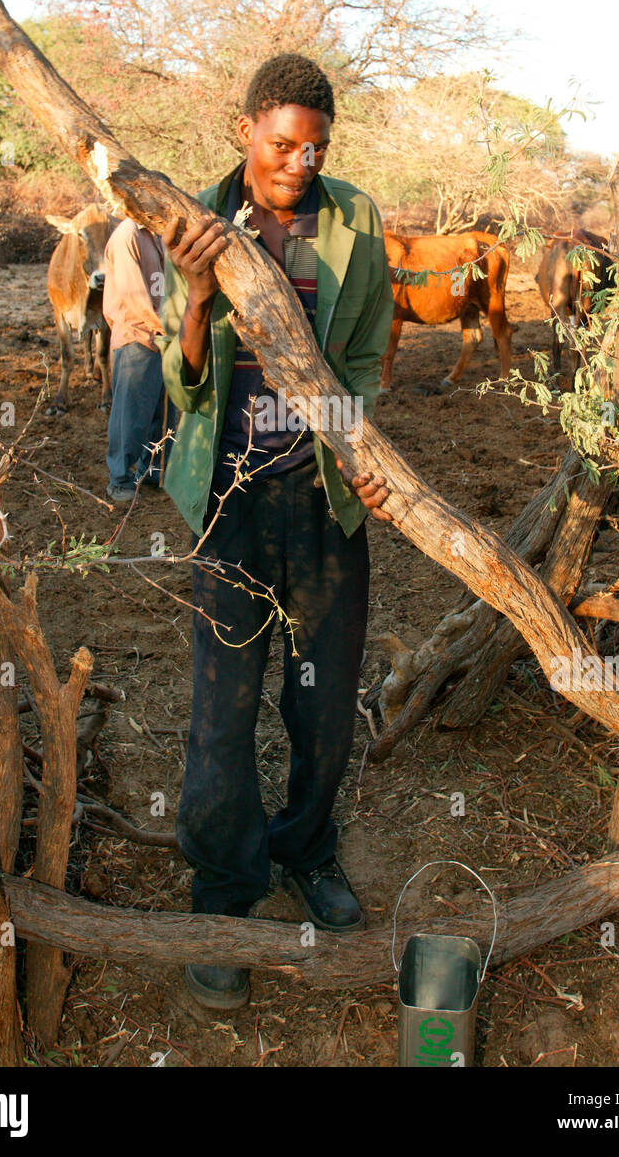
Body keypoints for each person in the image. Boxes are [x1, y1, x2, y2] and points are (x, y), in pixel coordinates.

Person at [157, 54, 394, 1011]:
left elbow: (371, 345)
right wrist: (201, 296)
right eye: (282, 142)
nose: (299, 161)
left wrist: (357, 446)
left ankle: (306, 848)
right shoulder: (194, 220)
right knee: (221, 715)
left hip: (322, 502)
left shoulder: (354, 219)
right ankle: (224, 890)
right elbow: (182, 382)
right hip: (230, 502)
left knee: (324, 706)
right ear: (244, 130)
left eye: (316, 147)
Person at [103, 217, 178, 502]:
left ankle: (152, 472)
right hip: (137, 336)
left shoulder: (155, 236)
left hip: (160, 336)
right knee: (130, 415)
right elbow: (134, 297)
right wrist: (167, 328)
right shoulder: (128, 236)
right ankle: (119, 479)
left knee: (159, 413)